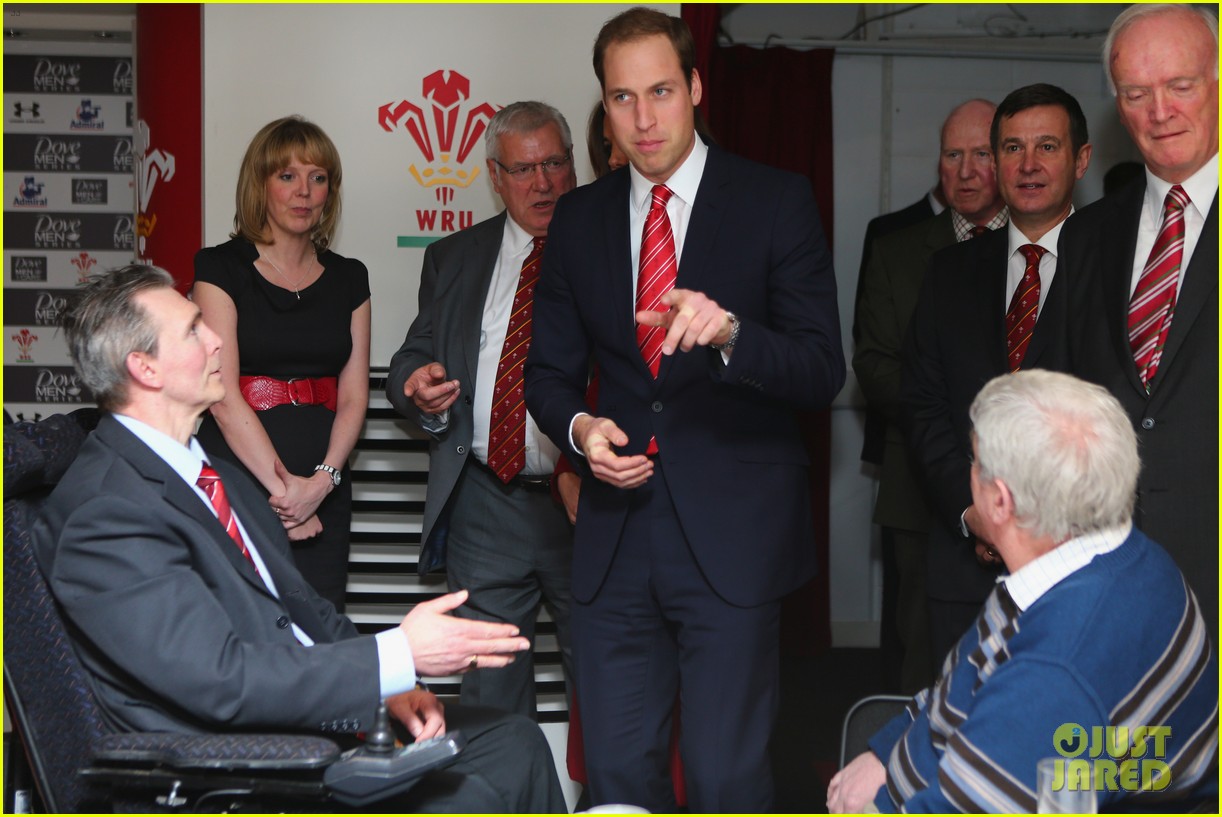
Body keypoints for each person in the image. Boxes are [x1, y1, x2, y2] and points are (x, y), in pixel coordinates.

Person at [36, 265, 566, 812]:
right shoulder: (107, 513)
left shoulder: (218, 476)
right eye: (194, 330)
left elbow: (304, 612)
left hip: (301, 722)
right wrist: (397, 654)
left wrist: (389, 686)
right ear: (144, 367)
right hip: (236, 767)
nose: (217, 339)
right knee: (476, 791)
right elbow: (219, 683)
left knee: (514, 740)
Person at [524, 8, 844, 811]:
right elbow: (547, 375)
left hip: (734, 537)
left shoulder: (775, 200)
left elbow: (821, 369)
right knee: (617, 779)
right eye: (623, 98)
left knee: (724, 778)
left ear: (696, 87)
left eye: (661, 91)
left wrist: (732, 334)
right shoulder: (579, 218)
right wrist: (582, 431)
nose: (643, 118)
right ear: (605, 106)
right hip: (615, 535)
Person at [827, 370, 1218, 813]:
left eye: (974, 460)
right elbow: (967, 682)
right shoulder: (1122, 560)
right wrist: (887, 755)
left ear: (999, 501)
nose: (968, 473)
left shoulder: (1055, 674)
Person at [386, 101, 576, 720]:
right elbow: (414, 354)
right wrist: (415, 383)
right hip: (487, 503)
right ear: (495, 176)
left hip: (587, 503)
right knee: (490, 698)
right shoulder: (455, 257)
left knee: (608, 683)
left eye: (554, 164)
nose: (543, 183)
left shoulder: (611, 246)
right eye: (523, 170)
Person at [900, 84, 1092, 667]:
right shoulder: (947, 272)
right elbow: (923, 405)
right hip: (965, 569)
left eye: (1047, 146)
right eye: (1011, 148)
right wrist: (973, 511)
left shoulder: (1114, 267)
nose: (1028, 164)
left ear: (1081, 160)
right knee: (960, 719)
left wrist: (1047, 524)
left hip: (1079, 566)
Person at [1056, 3, 1218, 639]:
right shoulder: (1086, 236)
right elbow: (1063, 393)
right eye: (1136, 93)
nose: (1160, 111)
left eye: (1181, 85)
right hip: (1106, 582)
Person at [853, 98, 1006, 693]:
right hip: (920, 487)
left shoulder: (1048, 246)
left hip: (1033, 490)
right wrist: (954, 436)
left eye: (981, 155)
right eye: (951, 155)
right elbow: (875, 365)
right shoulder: (897, 251)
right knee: (923, 655)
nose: (964, 172)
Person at [192, 116, 367, 611]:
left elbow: (354, 396)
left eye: (317, 177)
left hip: (324, 487)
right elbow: (222, 397)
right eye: (287, 176)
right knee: (238, 626)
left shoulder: (350, 278)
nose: (303, 191)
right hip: (240, 480)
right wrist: (288, 497)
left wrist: (321, 483)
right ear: (261, 185)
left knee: (321, 628)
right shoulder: (219, 268)